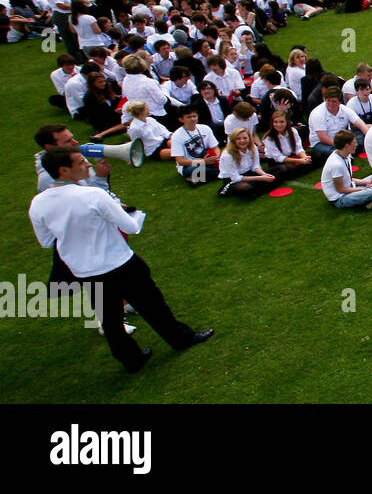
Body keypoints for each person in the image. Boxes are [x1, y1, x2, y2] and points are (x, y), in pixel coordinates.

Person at [29, 146, 214, 373]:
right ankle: (182, 339)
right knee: (153, 306)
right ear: (63, 170)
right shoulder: (92, 195)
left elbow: (47, 241)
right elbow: (131, 226)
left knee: (110, 320)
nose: (87, 164)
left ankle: (131, 360)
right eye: (80, 162)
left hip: (85, 270)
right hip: (120, 263)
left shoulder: (38, 203)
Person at [321, 130, 372, 210]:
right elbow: (340, 189)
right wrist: (363, 189)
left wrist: (369, 182)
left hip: (350, 186)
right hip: (341, 197)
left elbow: (349, 179)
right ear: (347, 145)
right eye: (354, 143)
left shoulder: (346, 155)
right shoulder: (336, 165)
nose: (356, 145)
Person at [217, 127, 276, 198]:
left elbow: (255, 167)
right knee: (246, 188)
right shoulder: (228, 155)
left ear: (249, 138)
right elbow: (235, 178)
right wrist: (260, 178)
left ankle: (261, 186)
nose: (242, 141)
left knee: (280, 169)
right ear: (233, 140)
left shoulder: (253, 147)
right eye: (238, 139)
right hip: (232, 179)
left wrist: (265, 174)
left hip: (249, 173)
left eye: (245, 138)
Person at [170, 107, 221, 184]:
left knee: (227, 160)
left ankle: (198, 179)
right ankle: (223, 173)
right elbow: (180, 161)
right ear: (181, 119)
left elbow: (215, 148)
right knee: (193, 170)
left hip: (207, 160)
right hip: (190, 165)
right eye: (189, 117)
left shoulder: (205, 128)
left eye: (194, 116)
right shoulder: (176, 136)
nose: (193, 119)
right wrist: (202, 162)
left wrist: (216, 158)